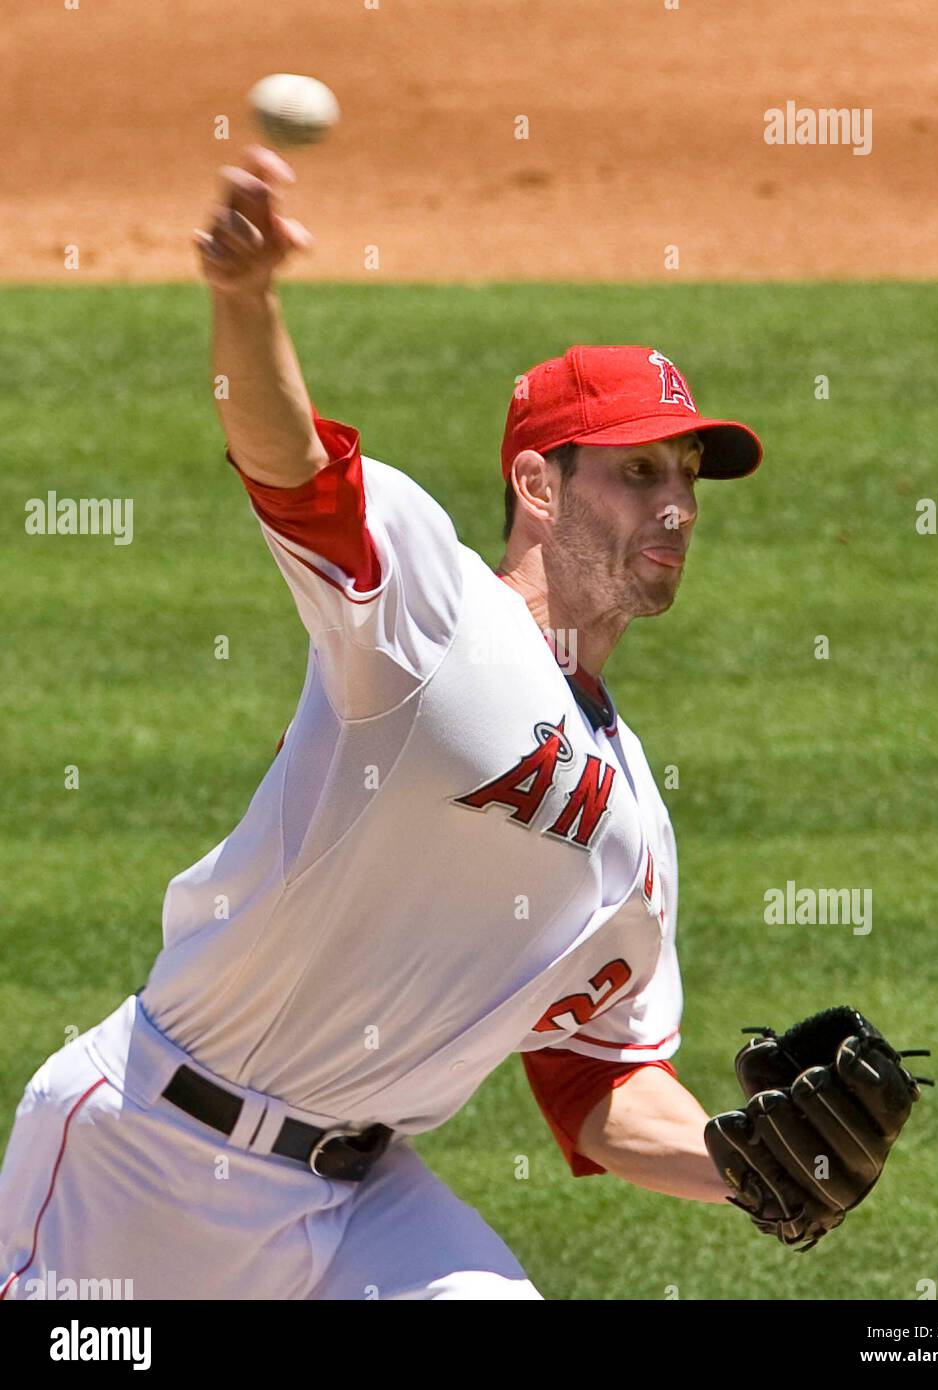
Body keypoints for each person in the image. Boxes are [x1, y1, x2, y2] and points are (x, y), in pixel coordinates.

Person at [0, 147, 763, 1301]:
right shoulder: (432, 614)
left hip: (361, 1197)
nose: (675, 505)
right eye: (637, 470)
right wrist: (244, 300)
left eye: (688, 476)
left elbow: (597, 1086)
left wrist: (751, 1165)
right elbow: (291, 467)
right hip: (144, 1162)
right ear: (538, 488)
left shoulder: (640, 835)